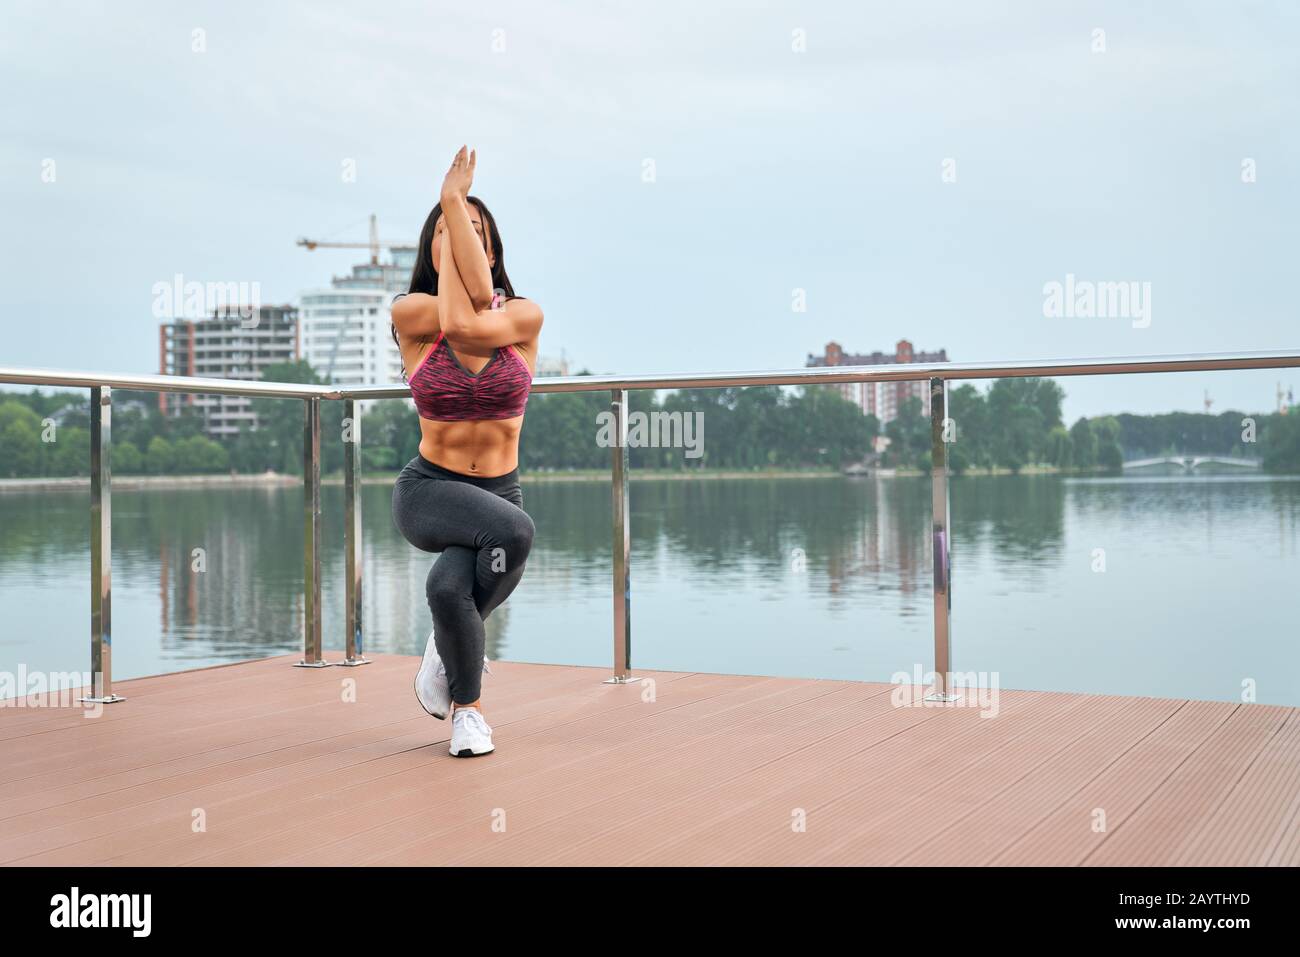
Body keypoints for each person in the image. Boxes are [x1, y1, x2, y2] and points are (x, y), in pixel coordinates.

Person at [389, 146, 543, 757]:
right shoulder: (411, 313)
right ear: (432, 248)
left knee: (449, 593)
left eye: (478, 234)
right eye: (451, 232)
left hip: (496, 491)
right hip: (429, 492)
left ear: (495, 250)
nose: (463, 239)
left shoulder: (525, 315)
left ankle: (452, 679)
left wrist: (456, 205)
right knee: (518, 533)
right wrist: (455, 206)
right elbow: (457, 322)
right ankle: (466, 698)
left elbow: (477, 319)